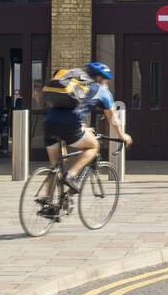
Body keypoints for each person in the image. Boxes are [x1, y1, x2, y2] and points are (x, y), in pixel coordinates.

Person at [43, 62, 132, 196]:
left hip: (49, 121)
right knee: (93, 146)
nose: (107, 83)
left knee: (56, 166)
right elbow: (113, 118)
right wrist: (122, 135)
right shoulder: (102, 91)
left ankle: (46, 202)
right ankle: (71, 175)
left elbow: (71, 108)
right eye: (106, 79)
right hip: (70, 125)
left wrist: (84, 127)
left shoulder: (73, 81)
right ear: (100, 78)